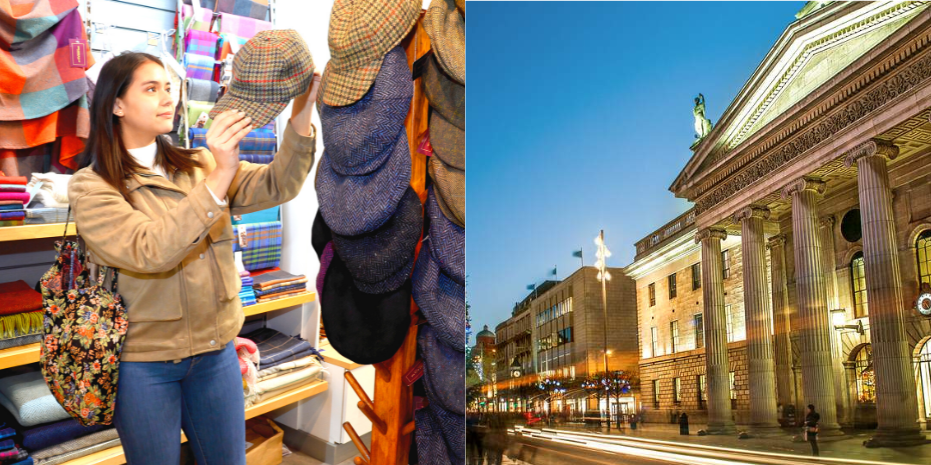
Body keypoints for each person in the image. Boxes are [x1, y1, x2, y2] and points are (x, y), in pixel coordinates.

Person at [68, 51, 320, 465]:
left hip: (215, 353)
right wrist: (221, 174)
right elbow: (150, 250)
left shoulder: (197, 163)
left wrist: (302, 109)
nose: (168, 98)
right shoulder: (91, 187)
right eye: (151, 89)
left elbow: (279, 184)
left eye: (169, 88)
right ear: (116, 104)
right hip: (144, 364)